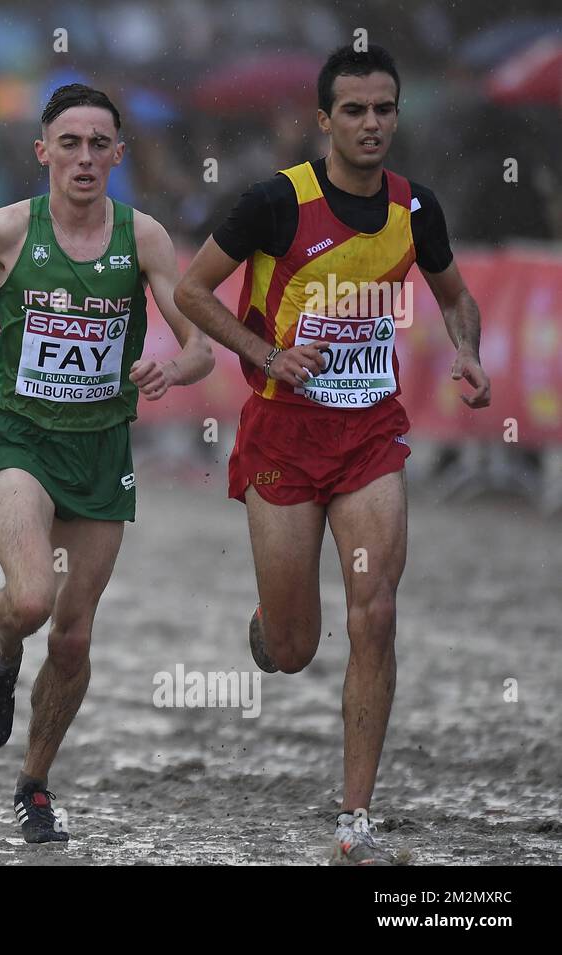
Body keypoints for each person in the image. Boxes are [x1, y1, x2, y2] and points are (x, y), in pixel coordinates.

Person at [173, 44, 492, 864]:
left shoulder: (416, 209)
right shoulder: (276, 202)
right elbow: (191, 290)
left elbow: (457, 298)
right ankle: (270, 628)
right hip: (282, 437)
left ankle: (354, 816)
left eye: (385, 108)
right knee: (294, 648)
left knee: (376, 615)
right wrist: (265, 351)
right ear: (324, 121)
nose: (373, 123)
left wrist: (467, 352)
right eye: (354, 110)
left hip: (368, 439)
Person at [0, 84, 214, 844]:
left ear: (119, 154)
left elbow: (201, 344)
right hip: (21, 440)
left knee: (74, 639)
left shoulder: (144, 238)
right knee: (31, 599)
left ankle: (35, 784)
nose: (84, 157)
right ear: (43, 150)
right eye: (69, 143)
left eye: (99, 144)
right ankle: (1, 647)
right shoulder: (7, 228)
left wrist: (173, 371)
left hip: (102, 450)